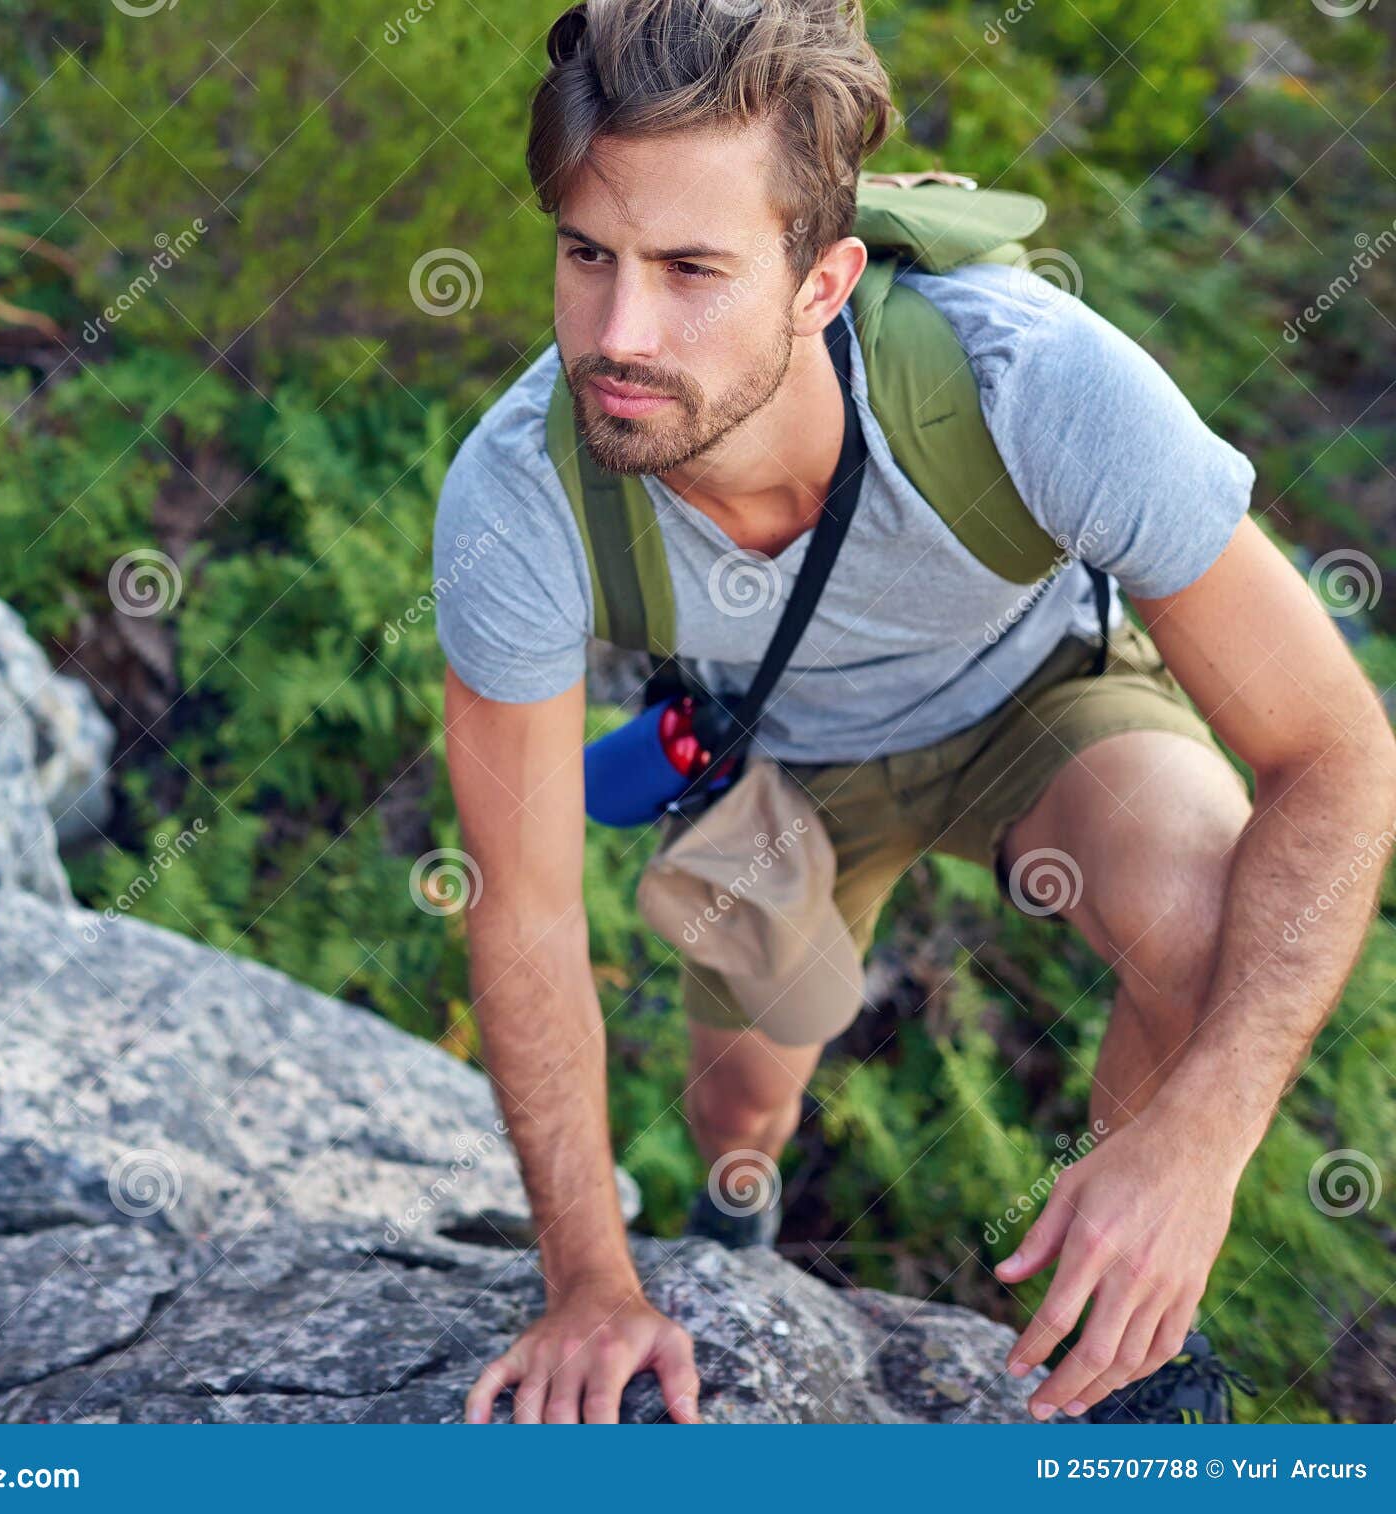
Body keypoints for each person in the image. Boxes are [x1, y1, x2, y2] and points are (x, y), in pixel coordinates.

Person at [433, 0, 1396, 1426]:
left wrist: (1203, 1134)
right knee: (742, 1108)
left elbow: (1338, 749)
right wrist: (589, 1284)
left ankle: (1109, 1347)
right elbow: (520, 906)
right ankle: (737, 1229)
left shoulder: (1033, 384)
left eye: (693, 268)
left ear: (822, 281)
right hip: (779, 763)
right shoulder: (520, 498)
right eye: (589, 256)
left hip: (1038, 708)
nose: (618, 334)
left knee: (1199, 921)